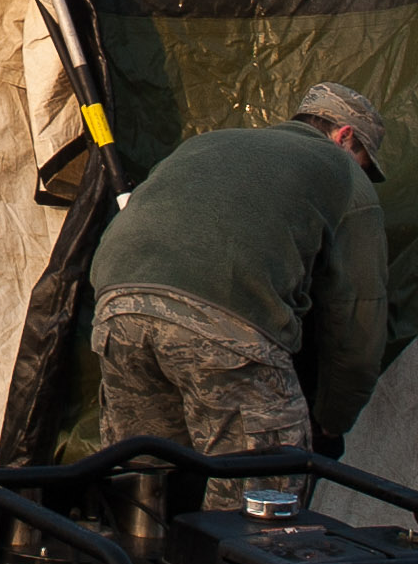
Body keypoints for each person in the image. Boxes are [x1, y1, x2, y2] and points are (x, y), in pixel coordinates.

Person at [83, 81, 390, 459]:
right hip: (225, 322)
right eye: (364, 162)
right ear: (345, 136)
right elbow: (358, 316)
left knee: (145, 474)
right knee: (264, 482)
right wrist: (333, 418)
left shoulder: (207, 143)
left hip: (117, 308)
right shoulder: (343, 170)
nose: (362, 173)